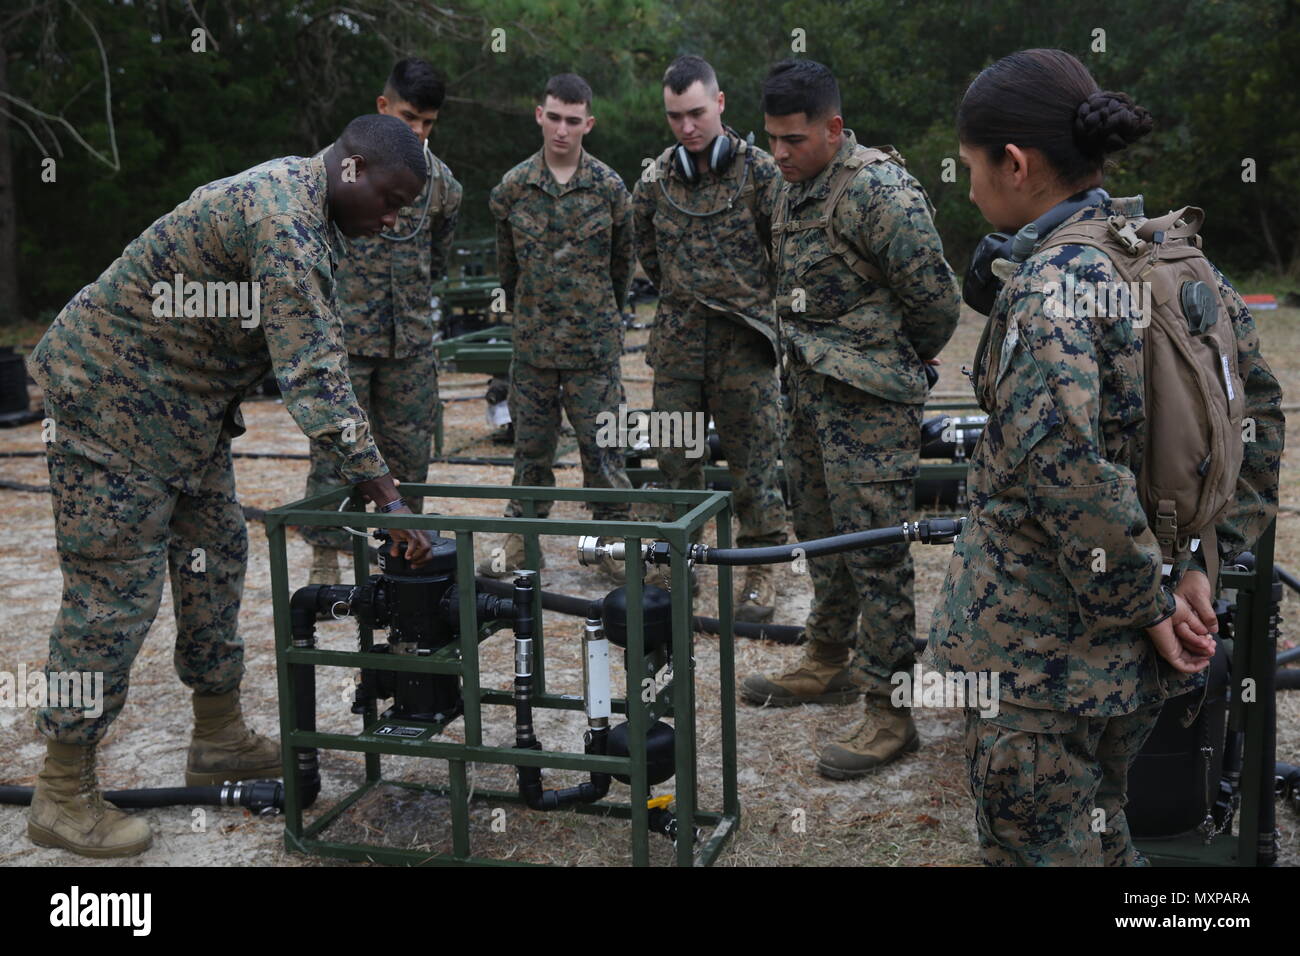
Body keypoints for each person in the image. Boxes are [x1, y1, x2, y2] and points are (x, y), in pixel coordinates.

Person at [24, 114, 437, 858]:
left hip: (183, 410)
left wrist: (381, 483)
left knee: (215, 553)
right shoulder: (285, 221)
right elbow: (315, 378)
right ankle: (61, 789)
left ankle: (216, 735)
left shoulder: (310, 208)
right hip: (109, 396)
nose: (394, 217)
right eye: (392, 198)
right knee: (113, 593)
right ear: (354, 169)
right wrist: (390, 502)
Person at [929, 48, 1285, 865]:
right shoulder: (1173, 258)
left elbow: (1067, 470)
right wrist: (1201, 563)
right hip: (1132, 660)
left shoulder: (1052, 283)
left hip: (1041, 662)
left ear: (1014, 164)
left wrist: (1151, 607)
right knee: (1103, 823)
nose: (971, 189)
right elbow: (1257, 419)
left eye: (970, 168)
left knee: (1042, 847)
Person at [740, 60, 961, 779]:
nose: (779, 152)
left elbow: (936, 306)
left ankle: (891, 712)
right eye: (771, 138)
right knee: (822, 536)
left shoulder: (880, 190)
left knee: (877, 554)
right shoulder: (789, 188)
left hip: (868, 408)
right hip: (804, 398)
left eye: (794, 138)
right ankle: (827, 659)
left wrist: (886, 365)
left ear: (834, 129)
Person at [631, 54, 789, 622]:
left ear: (720, 104)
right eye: (675, 117)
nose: (687, 127)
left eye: (696, 113)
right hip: (677, 349)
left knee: (756, 466)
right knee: (677, 461)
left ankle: (762, 572)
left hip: (744, 348)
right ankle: (677, 567)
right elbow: (646, 250)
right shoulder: (654, 181)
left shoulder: (763, 174)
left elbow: (784, 252)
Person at [301, 58, 462, 585]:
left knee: (411, 456)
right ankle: (325, 560)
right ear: (383, 107)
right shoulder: (338, 170)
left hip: (410, 344)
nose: (416, 131)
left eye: (428, 123)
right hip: (344, 340)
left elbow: (439, 260)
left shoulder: (442, 186)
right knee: (334, 456)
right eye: (408, 116)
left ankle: (400, 566)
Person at [478, 73, 634, 582]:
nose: (562, 130)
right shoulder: (513, 189)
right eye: (554, 117)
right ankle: (522, 541)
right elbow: (508, 270)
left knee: (604, 450)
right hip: (533, 350)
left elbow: (621, 269)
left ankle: (613, 542)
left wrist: (600, 314)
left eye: (573, 121)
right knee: (530, 450)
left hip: (594, 349)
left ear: (588, 123)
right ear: (538, 114)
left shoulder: (610, 189)